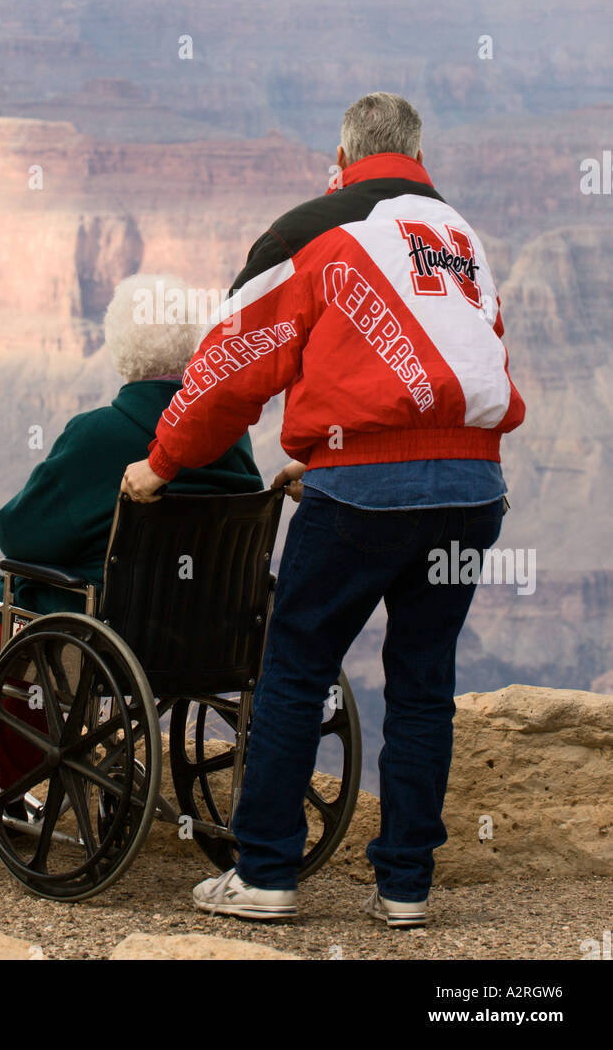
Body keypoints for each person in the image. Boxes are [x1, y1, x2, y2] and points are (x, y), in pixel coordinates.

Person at [122, 93, 525, 927]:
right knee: (423, 687)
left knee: (296, 669)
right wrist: (337, 455)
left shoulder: (315, 228)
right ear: (417, 153)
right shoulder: (460, 238)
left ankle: (266, 872)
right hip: (472, 491)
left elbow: (232, 366)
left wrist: (161, 464)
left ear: (340, 155)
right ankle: (405, 888)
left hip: (364, 500)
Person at [0, 272, 262, 824]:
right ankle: (8, 784)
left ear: (121, 348)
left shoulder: (101, 434)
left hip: (115, 642)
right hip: (213, 640)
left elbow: (19, 535)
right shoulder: (231, 436)